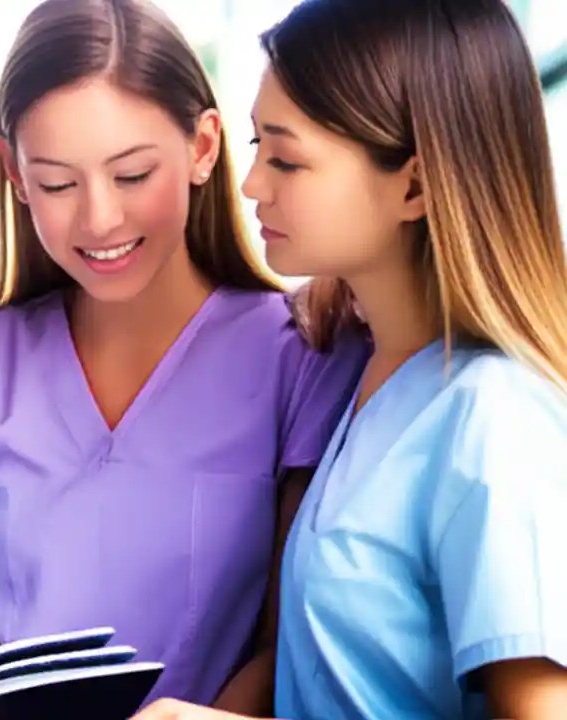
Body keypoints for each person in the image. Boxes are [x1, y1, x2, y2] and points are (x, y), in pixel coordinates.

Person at [0, 0, 366, 713]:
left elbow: (287, 647)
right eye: (59, 183)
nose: (99, 219)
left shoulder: (303, 356)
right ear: (14, 172)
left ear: (203, 147)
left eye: (131, 175)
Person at [132, 0, 567, 718]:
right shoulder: (364, 374)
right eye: (255, 147)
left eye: (287, 158)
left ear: (416, 186)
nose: (251, 185)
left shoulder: (497, 422)